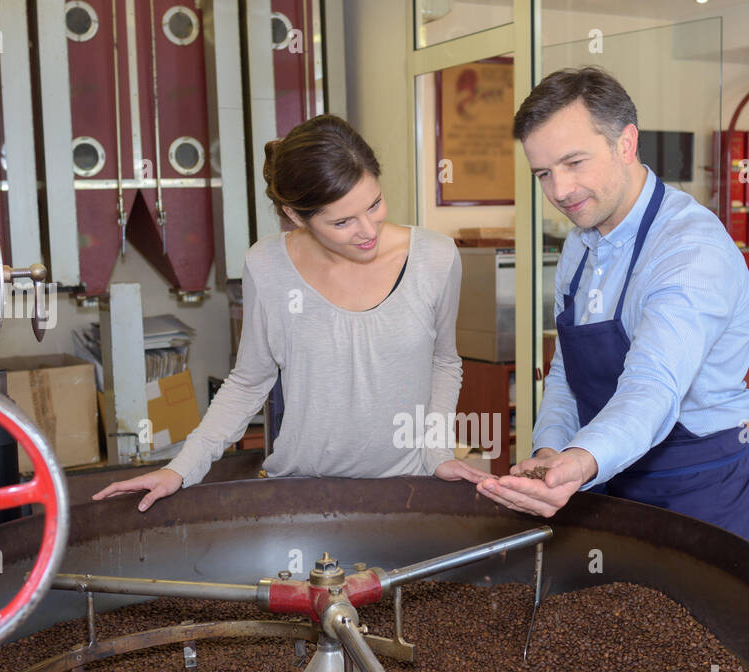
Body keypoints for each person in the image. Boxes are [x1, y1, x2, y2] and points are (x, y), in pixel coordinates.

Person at [94, 115, 489, 510]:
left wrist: (438, 454)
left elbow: (444, 362)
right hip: (302, 493)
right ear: (297, 217)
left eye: (374, 204)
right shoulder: (268, 264)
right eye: (342, 221)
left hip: (407, 489)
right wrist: (181, 468)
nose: (368, 230)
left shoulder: (435, 258)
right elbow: (249, 381)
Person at [476, 67, 749, 548]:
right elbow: (566, 373)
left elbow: (651, 386)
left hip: (699, 493)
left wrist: (579, 459)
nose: (560, 191)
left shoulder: (689, 250)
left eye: (575, 163)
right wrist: (550, 452)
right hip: (608, 483)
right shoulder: (580, 243)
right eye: (544, 174)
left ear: (626, 144)